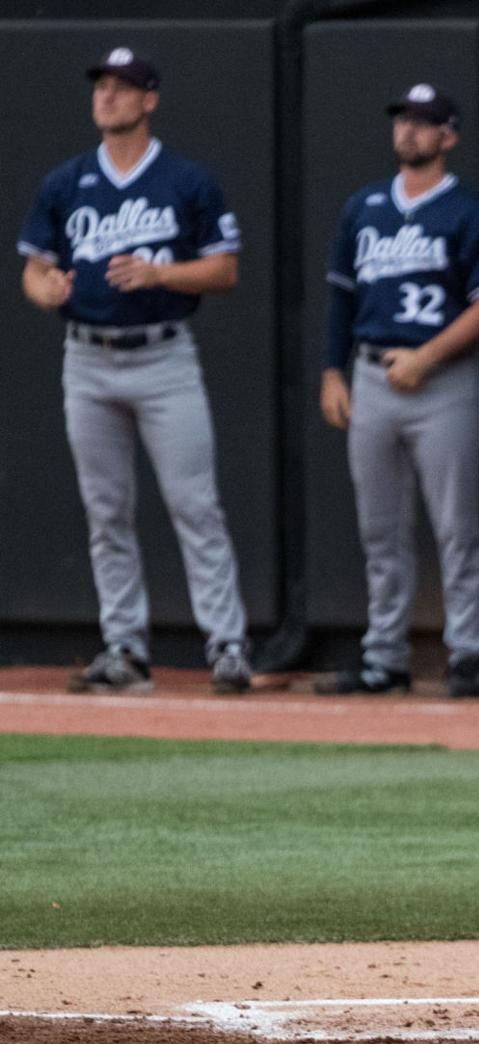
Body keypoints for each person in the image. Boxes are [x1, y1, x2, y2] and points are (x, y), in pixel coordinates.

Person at [18, 47, 250, 696]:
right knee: (106, 509)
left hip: (163, 355)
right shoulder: (67, 181)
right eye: (101, 86)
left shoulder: (184, 180)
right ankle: (124, 647)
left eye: (123, 87)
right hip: (87, 356)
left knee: (194, 505)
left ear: (150, 99)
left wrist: (160, 272)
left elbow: (225, 269)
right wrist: (46, 288)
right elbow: (33, 267)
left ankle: (227, 644)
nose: (107, 96)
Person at [315, 84, 479, 698]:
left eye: (425, 123)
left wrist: (426, 357)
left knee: (457, 526)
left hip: (441, 378)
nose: (410, 131)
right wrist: (331, 372)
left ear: (448, 137)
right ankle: (385, 656)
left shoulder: (469, 213)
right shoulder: (364, 206)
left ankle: (470, 653)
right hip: (373, 374)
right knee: (380, 530)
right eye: (404, 119)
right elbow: (341, 297)